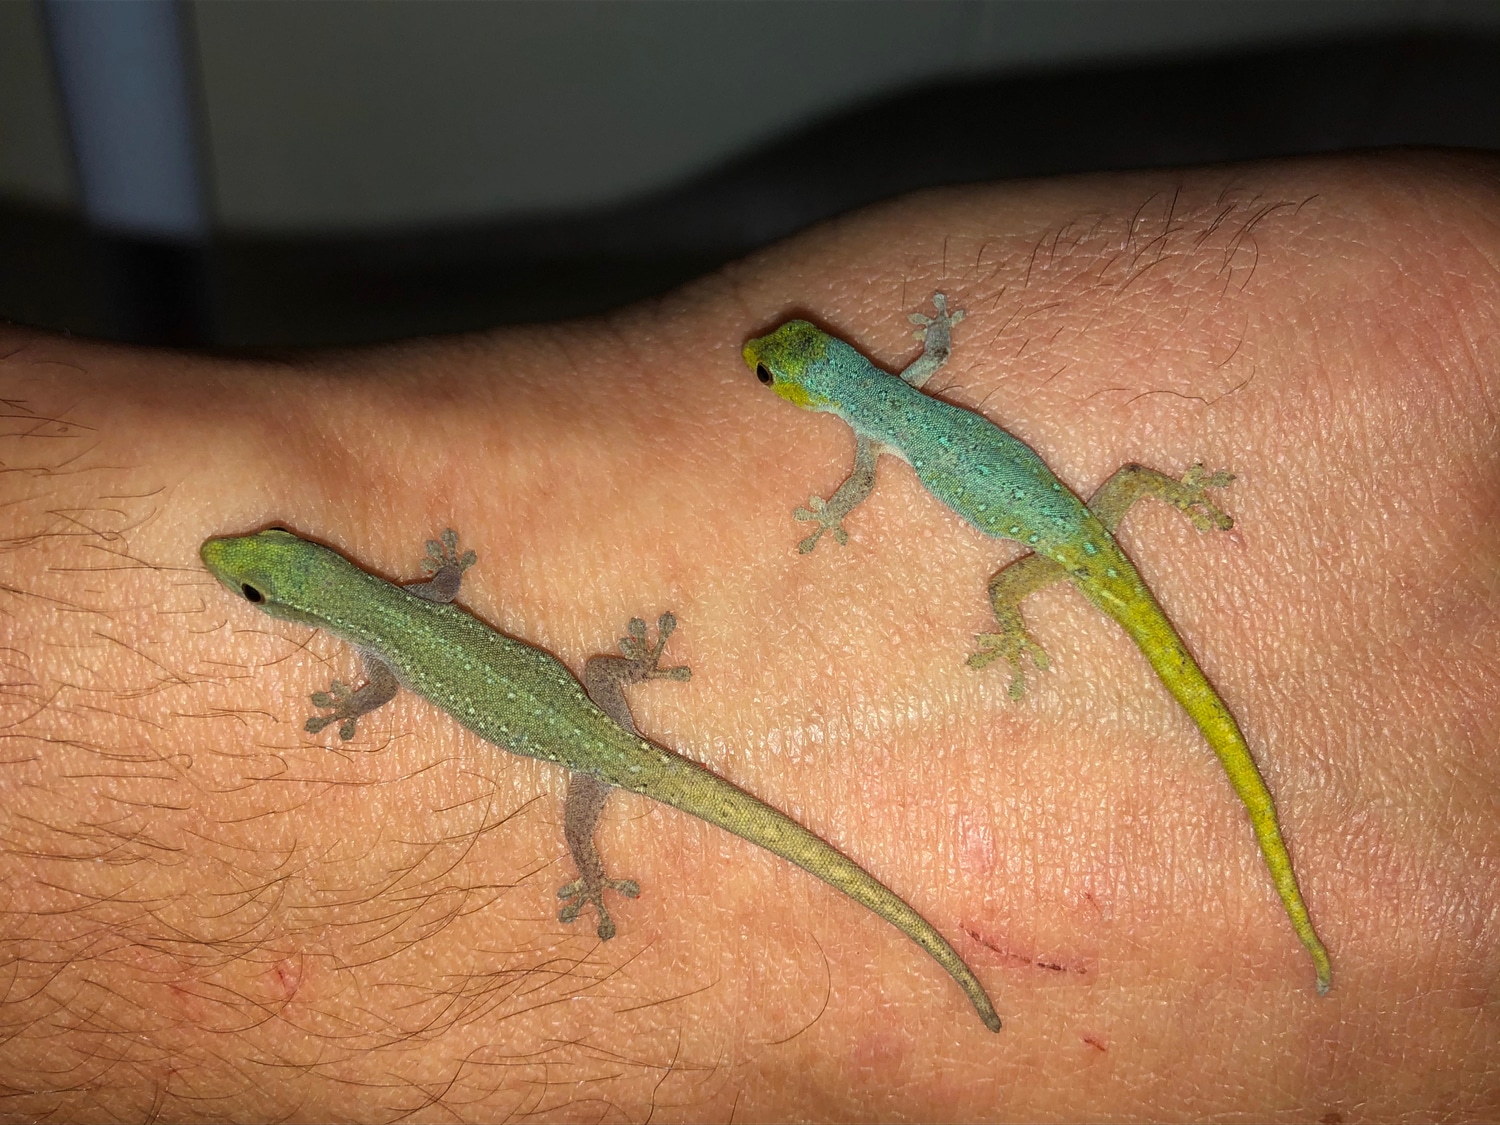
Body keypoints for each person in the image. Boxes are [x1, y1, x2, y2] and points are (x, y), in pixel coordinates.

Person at [0, 150, 1494, 1120]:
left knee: (640, 762)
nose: (264, 571)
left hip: (999, 552)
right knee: (611, 773)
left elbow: (435, 611)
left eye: (270, 575)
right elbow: (431, 601)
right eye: (270, 575)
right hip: (906, 574)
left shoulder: (383, 627)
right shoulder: (386, 611)